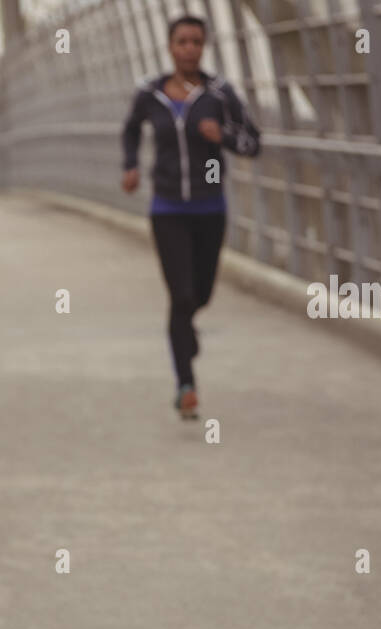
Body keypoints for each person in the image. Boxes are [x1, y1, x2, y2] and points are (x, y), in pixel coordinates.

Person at [120, 14, 261, 419]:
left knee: (201, 295)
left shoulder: (219, 94)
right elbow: (130, 131)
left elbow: (254, 143)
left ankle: (186, 336)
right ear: (170, 47)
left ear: (204, 47)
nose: (188, 48)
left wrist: (225, 137)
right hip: (167, 209)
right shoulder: (150, 93)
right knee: (180, 295)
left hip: (209, 208)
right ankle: (185, 385)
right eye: (181, 41)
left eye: (196, 42)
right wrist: (130, 165)